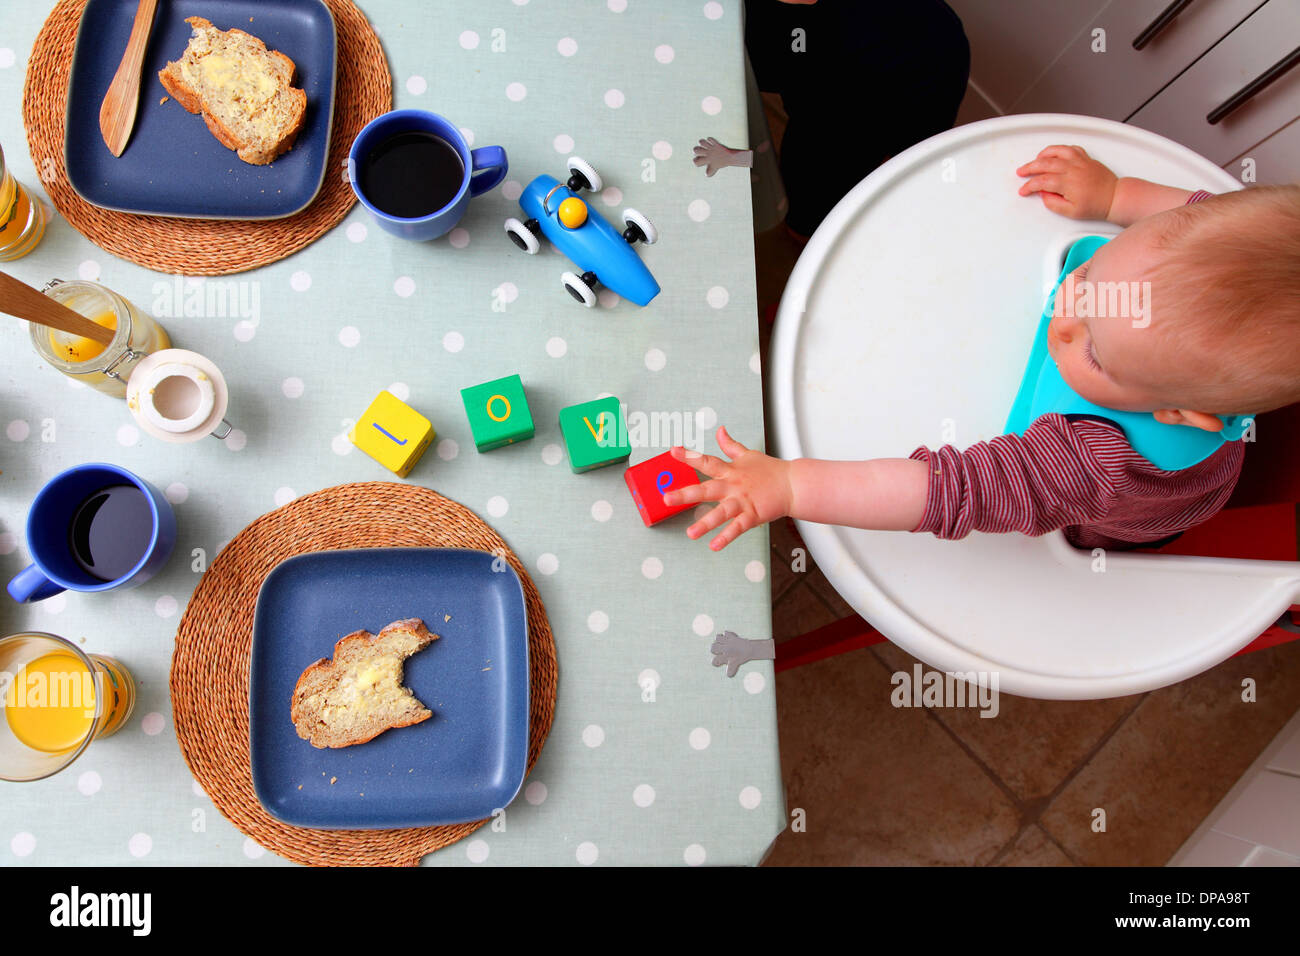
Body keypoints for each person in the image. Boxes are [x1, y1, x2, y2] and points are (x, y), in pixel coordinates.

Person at [664, 146, 1300, 552]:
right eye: (1087, 280)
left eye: (1096, 356)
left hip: (1128, 514)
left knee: (1094, 529)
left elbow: (949, 490)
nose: (1062, 323)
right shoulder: (1200, 258)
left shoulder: (1095, 460)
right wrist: (1115, 197)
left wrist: (794, 486)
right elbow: (1196, 209)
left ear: (1178, 415)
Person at [743, 0, 970, 239]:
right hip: (822, 93)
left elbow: (914, 156)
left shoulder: (932, 42)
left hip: (849, 123)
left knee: (812, 208)